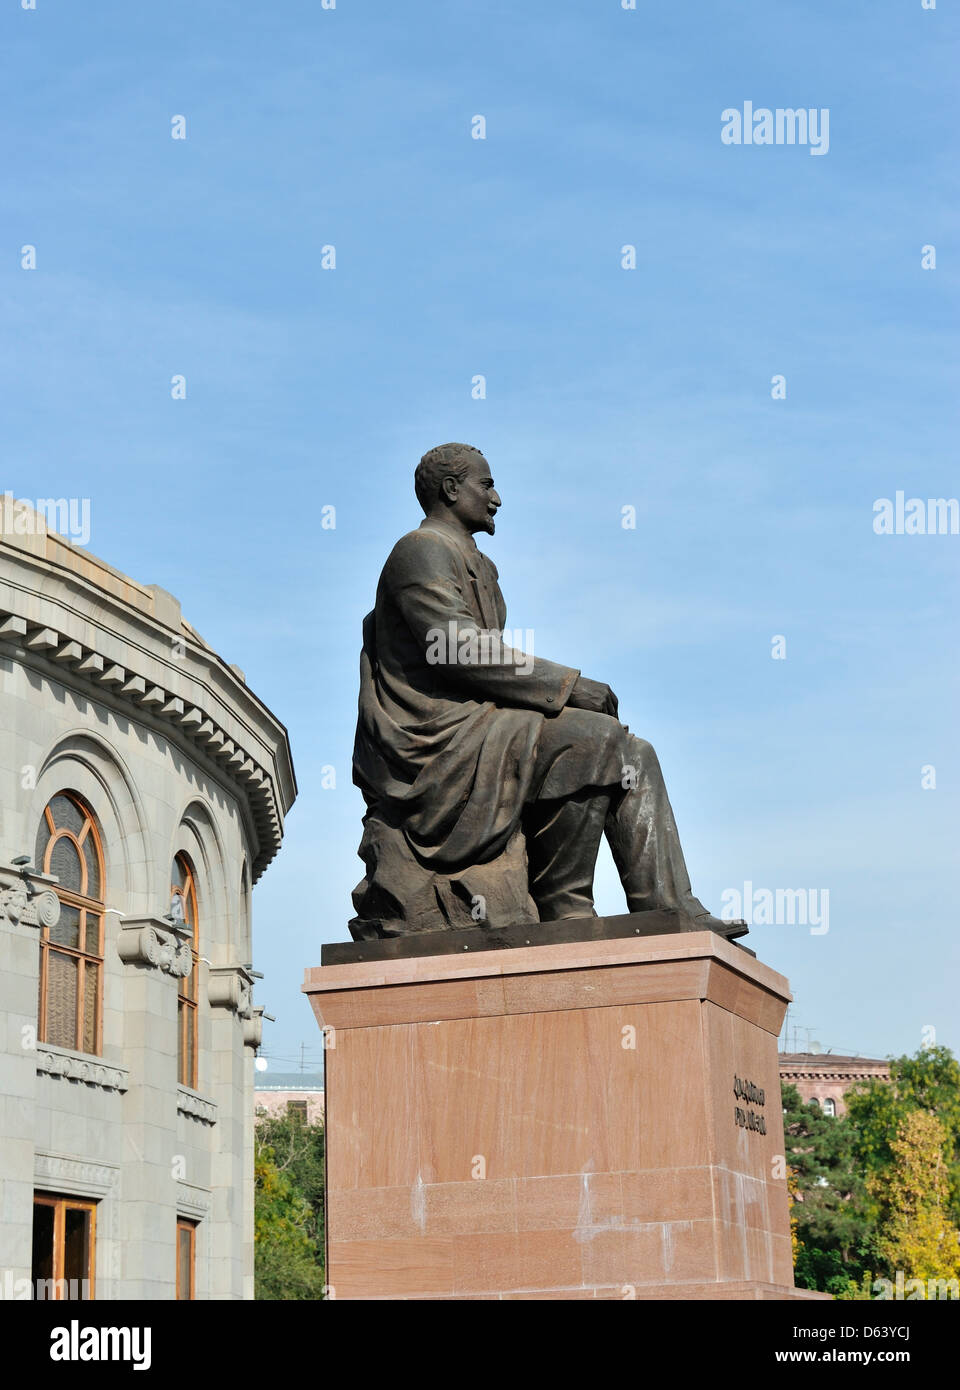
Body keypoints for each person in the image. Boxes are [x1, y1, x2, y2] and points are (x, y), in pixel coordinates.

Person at [352, 442, 743, 937]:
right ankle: (566, 907)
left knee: (634, 753)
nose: (497, 499)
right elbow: (455, 649)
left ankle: (671, 909)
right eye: (487, 484)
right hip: (437, 740)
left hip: (481, 722)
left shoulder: (480, 564)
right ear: (451, 489)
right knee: (595, 739)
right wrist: (567, 686)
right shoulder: (421, 549)